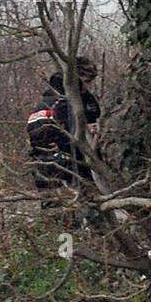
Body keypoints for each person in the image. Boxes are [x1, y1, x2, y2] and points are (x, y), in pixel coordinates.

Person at [27, 56, 100, 203]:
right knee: (59, 215)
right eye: (85, 82)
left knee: (91, 210)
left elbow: (93, 121)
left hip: (82, 167)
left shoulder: (88, 102)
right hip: (54, 168)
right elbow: (40, 141)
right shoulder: (52, 104)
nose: (87, 87)